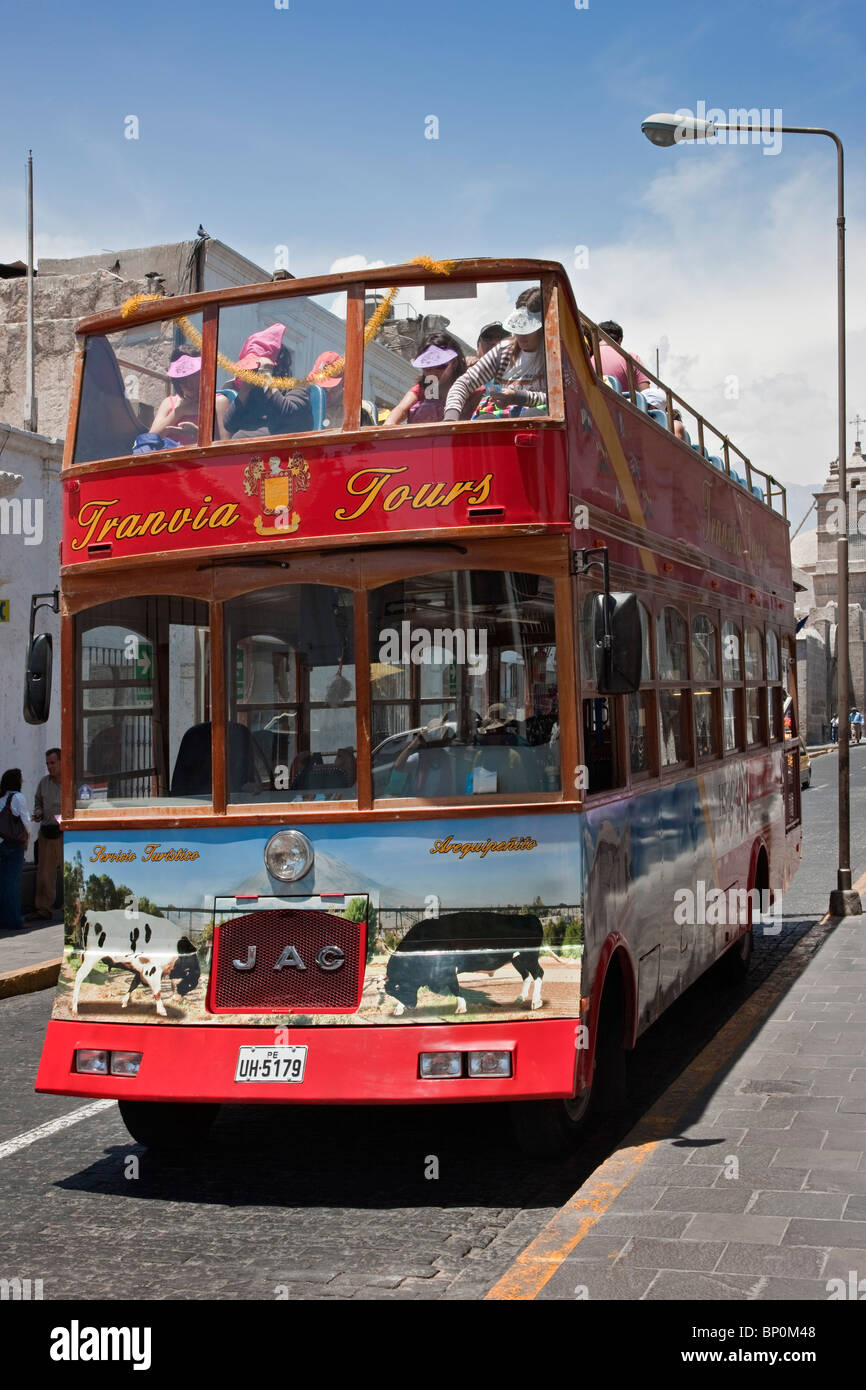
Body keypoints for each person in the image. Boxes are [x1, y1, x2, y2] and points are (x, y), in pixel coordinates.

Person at [443, 288, 548, 420]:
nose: (521, 334)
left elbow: (562, 399)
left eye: (528, 328)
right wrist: (451, 417)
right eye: (519, 325)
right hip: (498, 418)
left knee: (533, 416)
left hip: (538, 420)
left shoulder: (554, 354)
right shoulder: (504, 351)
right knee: (484, 420)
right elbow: (463, 383)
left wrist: (518, 396)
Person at [385, 333, 466, 426]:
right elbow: (402, 409)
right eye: (427, 368)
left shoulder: (468, 385)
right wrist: (389, 424)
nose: (433, 372)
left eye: (440, 366)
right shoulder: (422, 389)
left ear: (454, 363)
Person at [26, 748, 62, 922]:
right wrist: (38, 812)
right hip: (47, 831)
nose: (49, 766)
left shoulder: (71, 782)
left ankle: (73, 907)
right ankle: (43, 909)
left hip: (66, 833)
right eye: (47, 763)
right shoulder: (44, 782)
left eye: (53, 763)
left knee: (71, 872)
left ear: (62, 762)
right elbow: (38, 802)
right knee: (45, 874)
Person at [0, 769, 30, 932]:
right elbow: (26, 822)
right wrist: (27, 839)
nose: (22, 781)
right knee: (12, 884)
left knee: (3, 883)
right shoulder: (18, 797)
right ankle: (14, 921)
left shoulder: (1, 797)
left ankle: (3, 919)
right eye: (21, 779)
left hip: (2, 843)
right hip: (14, 844)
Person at [150, 348, 201, 440]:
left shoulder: (217, 402)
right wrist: (179, 411)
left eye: (193, 375)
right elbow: (151, 437)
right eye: (182, 378)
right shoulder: (169, 402)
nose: (189, 383)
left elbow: (223, 440)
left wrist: (199, 434)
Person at [595, 320, 651, 395]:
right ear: (620, 340)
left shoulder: (588, 355)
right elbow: (646, 393)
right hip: (619, 401)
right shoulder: (631, 358)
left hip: (587, 400)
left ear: (597, 337)